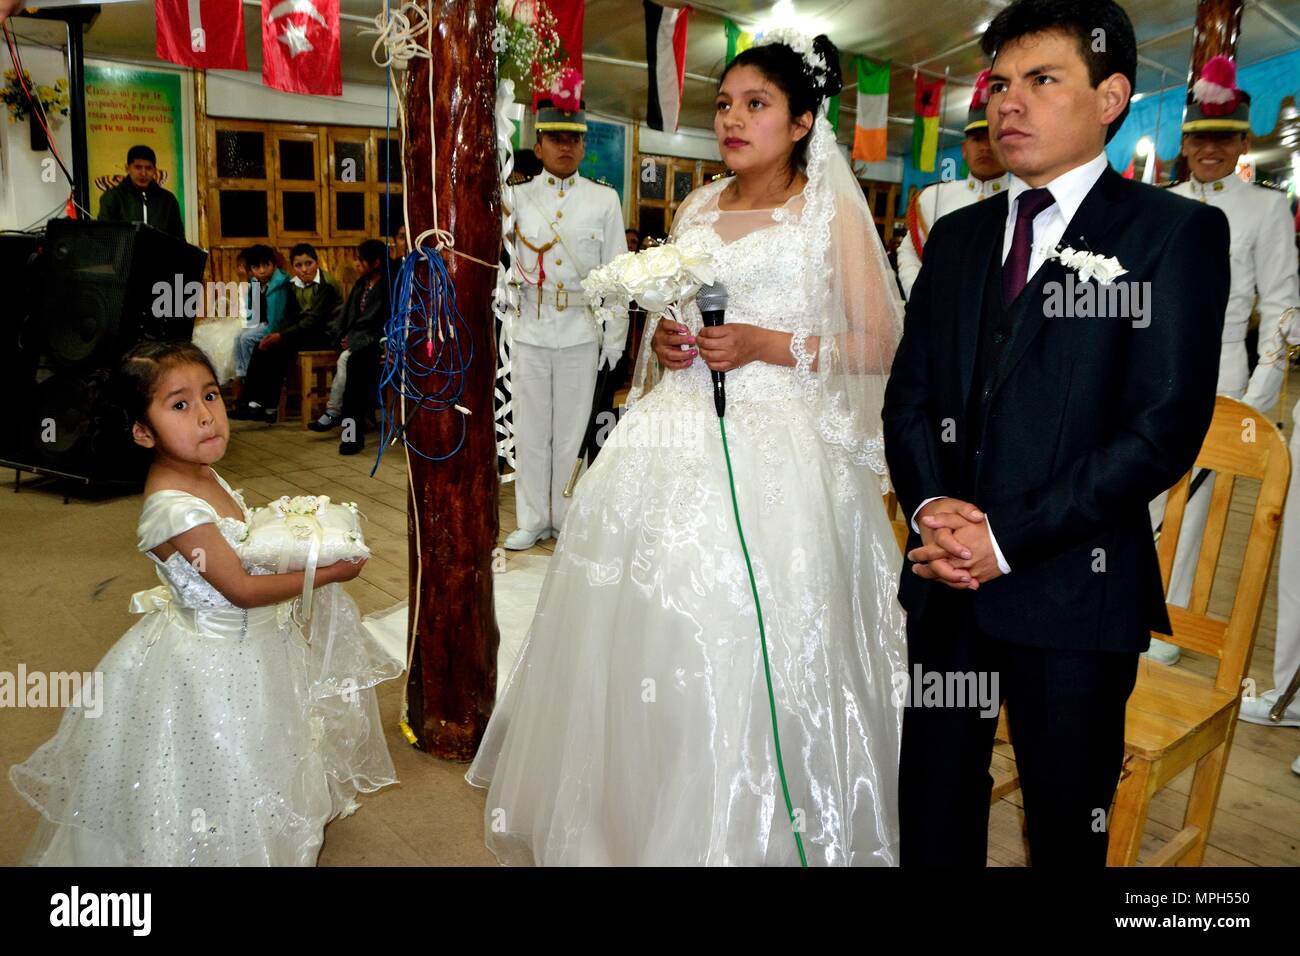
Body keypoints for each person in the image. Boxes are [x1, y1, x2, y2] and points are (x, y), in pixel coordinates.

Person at [467, 32, 908, 866]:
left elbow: (880, 341)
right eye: (724, 104)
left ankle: (752, 823)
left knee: (740, 631)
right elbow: (673, 314)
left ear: (804, 120)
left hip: (780, 445)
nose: (733, 120)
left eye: (757, 105)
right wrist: (670, 345)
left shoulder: (830, 212)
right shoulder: (698, 207)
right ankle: (634, 814)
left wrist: (765, 345)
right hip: (673, 429)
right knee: (648, 626)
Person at [882, 0, 1229, 867]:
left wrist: (1004, 537)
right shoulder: (957, 237)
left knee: (1067, 822)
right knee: (933, 807)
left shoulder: (1170, 233)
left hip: (1075, 590)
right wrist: (930, 508)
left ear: (1111, 96)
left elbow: (1161, 430)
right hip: (945, 584)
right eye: (1000, 83)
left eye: (1042, 81)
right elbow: (909, 398)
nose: (1008, 104)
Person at [8, 341, 396, 865]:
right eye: (180, 405)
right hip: (217, 660)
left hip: (256, 643)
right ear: (143, 432)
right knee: (218, 758)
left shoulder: (203, 472)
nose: (207, 415)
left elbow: (242, 546)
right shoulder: (174, 509)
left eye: (210, 395)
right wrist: (327, 573)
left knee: (268, 749)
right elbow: (239, 588)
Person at [1145, 57, 1300, 665]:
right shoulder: (1157, 203)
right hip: (1149, 367)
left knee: (1194, 502)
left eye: (1222, 138)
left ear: (1240, 143)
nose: (1208, 150)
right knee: (1141, 496)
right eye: (1198, 139)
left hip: (1222, 368)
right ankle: (1132, 605)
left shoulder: (1265, 209)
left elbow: (1284, 305)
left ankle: (1168, 625)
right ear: (1184, 145)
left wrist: (1258, 393)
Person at [504, 94, 628, 549]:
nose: (566, 147)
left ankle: (567, 516)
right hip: (530, 328)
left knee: (573, 432)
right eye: (556, 138)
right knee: (532, 430)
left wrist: (615, 335)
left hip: (580, 330)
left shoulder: (604, 200)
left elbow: (616, 272)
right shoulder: (516, 197)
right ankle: (533, 518)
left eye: (574, 140)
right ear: (538, 146)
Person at [896, 70, 1010, 299]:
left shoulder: (1027, 199)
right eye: (977, 139)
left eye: (991, 138)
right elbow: (909, 253)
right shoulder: (932, 198)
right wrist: (918, 298)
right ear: (964, 150)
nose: (985, 147)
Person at [234, 243, 337, 423]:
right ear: (292, 267)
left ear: (317, 262)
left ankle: (266, 405)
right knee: (264, 346)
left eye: (309, 263)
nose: (304, 269)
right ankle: (254, 404)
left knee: (279, 345)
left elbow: (313, 321)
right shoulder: (293, 285)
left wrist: (282, 335)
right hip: (304, 332)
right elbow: (290, 316)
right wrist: (277, 334)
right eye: (298, 265)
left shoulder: (326, 285)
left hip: (326, 334)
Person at [331, 239, 391, 455]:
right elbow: (348, 314)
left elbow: (376, 321)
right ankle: (350, 436)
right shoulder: (362, 284)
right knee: (352, 379)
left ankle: (348, 427)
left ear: (375, 263)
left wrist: (354, 339)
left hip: (377, 341)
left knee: (355, 371)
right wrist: (343, 335)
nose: (357, 264)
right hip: (358, 340)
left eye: (361, 260)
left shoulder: (388, 285)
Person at [231, 244, 293, 382]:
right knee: (237, 338)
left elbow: (278, 316)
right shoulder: (255, 283)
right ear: (251, 270)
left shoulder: (280, 284)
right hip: (261, 323)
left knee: (246, 339)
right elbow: (251, 308)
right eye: (256, 267)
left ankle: (250, 375)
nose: (262, 271)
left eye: (266, 265)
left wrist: (269, 333)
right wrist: (250, 325)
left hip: (276, 326)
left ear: (274, 265)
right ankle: (241, 373)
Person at [97, 144, 184, 239]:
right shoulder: (112, 197)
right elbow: (104, 238)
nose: (143, 173)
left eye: (148, 168)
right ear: (127, 168)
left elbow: (179, 240)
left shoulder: (168, 200)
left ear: (155, 170)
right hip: (126, 254)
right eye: (138, 167)